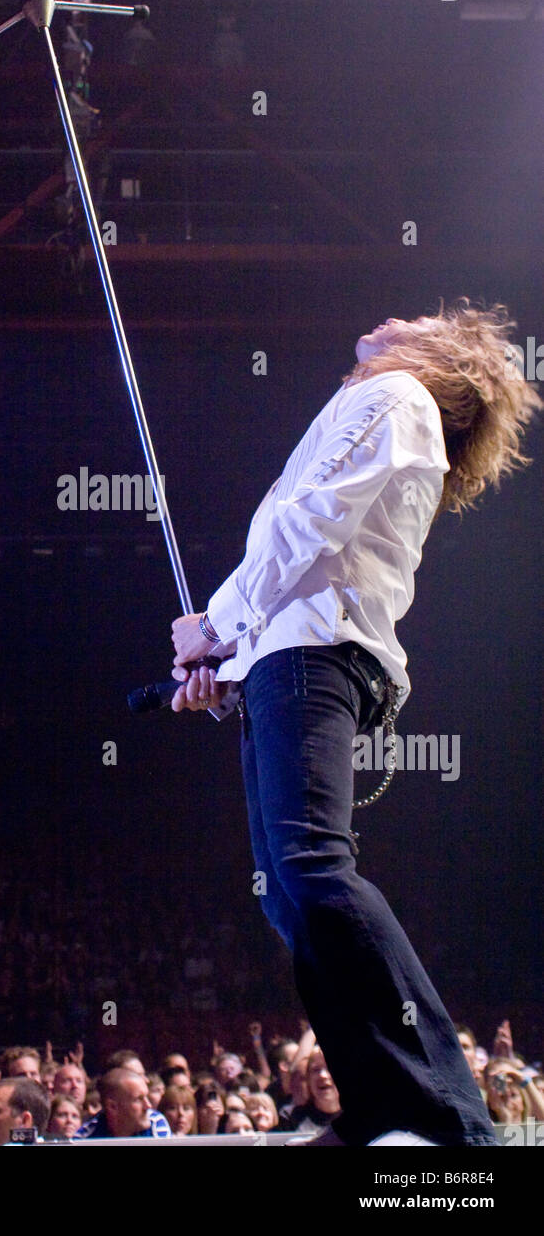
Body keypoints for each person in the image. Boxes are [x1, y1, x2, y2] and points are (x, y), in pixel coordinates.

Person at [170, 300, 541, 1147]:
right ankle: (381, 1108)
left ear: (442, 356)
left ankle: (443, 1113)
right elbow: (301, 557)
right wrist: (214, 666)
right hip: (290, 656)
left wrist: (216, 632)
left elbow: (313, 524)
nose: (399, 315)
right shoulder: (387, 403)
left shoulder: (400, 394)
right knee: (290, 899)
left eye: (424, 317)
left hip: (314, 656)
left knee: (310, 868)